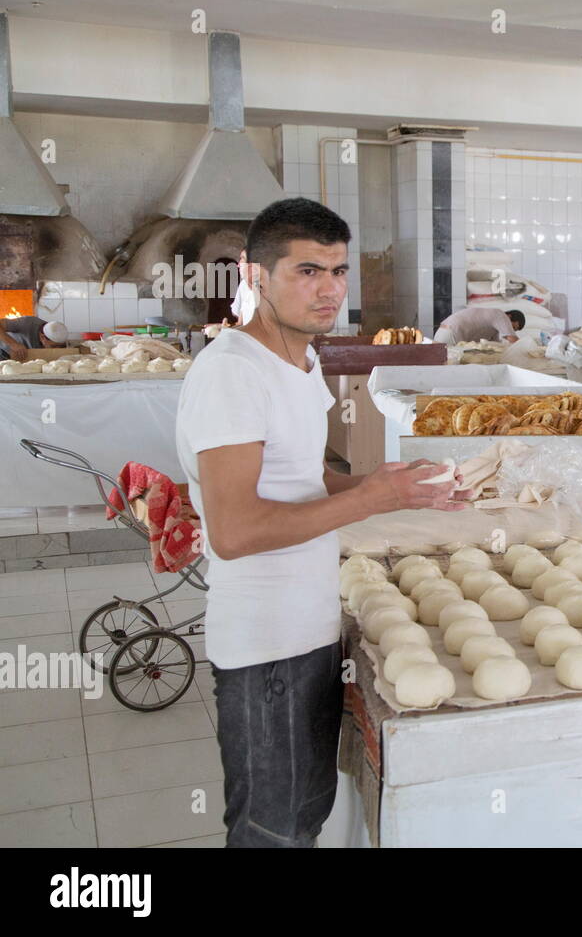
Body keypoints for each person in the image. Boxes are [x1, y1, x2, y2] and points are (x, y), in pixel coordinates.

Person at [175, 198, 469, 847]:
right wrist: (370, 502)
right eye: (307, 271)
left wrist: (390, 488)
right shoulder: (232, 374)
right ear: (255, 275)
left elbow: (306, 482)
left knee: (306, 814)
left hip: (309, 629)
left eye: (338, 271)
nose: (330, 289)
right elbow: (236, 531)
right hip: (264, 648)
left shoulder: (302, 363)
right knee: (271, 831)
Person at [432, 306, 526, 345]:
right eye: (513, 327)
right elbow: (513, 340)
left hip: (443, 332)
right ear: (509, 316)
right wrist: (529, 348)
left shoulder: (493, 327)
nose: (511, 329)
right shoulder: (500, 315)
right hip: (451, 334)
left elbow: (496, 345)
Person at [0, 316, 67, 360]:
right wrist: (13, 344)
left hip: (22, 360)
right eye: (53, 346)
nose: (56, 349)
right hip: (3, 352)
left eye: (60, 346)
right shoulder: (26, 323)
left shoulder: (55, 330)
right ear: (42, 337)